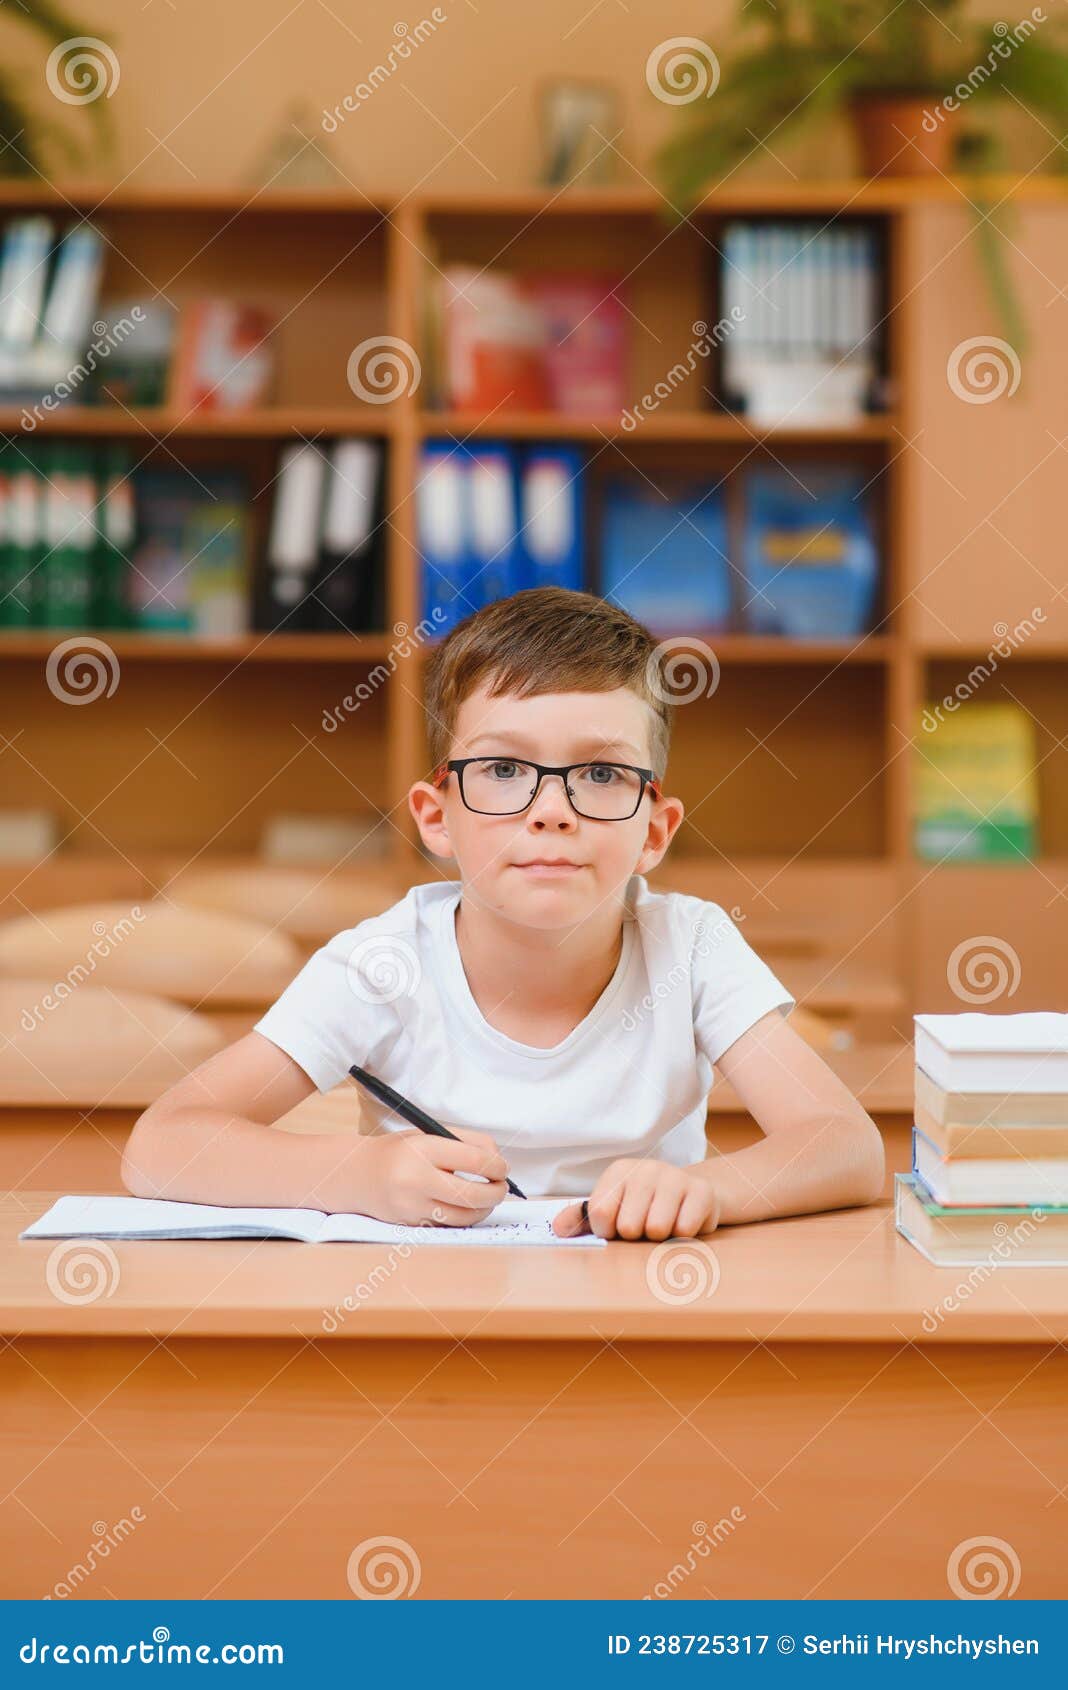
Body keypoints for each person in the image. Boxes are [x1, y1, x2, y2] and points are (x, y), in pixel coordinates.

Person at [123, 587, 884, 1240]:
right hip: (425, 1325)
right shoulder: (381, 965)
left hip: (646, 1319)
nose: (552, 810)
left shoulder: (690, 947)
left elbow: (847, 1145)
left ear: (654, 831)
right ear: (435, 816)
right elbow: (161, 1146)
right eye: (503, 769)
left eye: (601, 772)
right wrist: (358, 1174)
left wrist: (711, 1190)